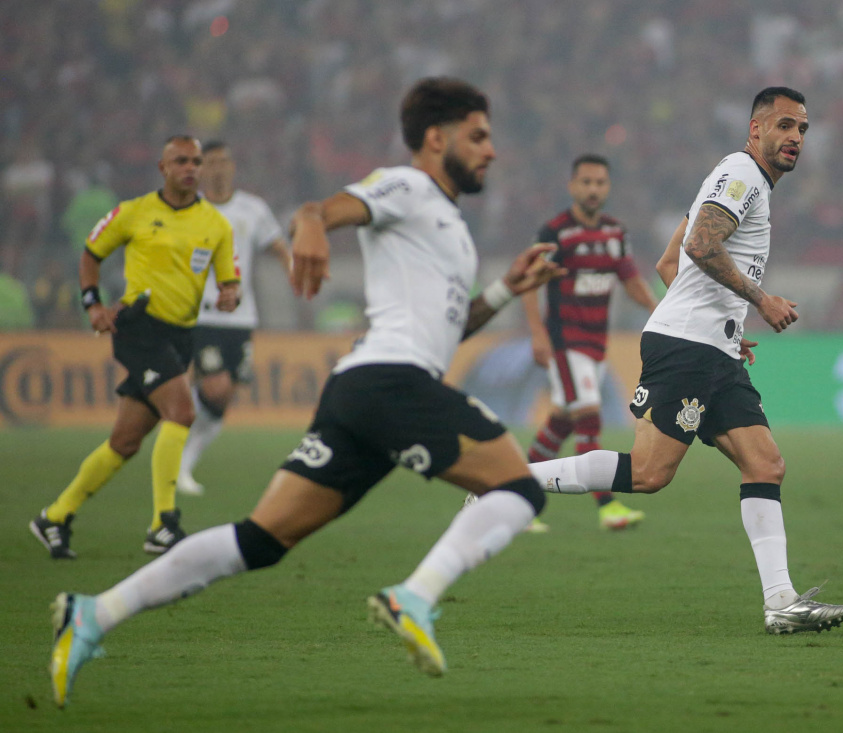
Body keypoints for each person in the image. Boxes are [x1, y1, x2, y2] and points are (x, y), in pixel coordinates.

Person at [46, 77, 562, 708]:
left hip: (364, 392)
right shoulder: (407, 185)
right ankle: (416, 597)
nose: (491, 150)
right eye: (478, 136)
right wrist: (312, 225)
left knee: (261, 540)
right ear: (436, 137)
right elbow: (320, 210)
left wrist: (507, 289)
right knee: (519, 488)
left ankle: (94, 613)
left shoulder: (450, 225)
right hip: (389, 381)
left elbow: (449, 331)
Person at [527, 87, 843, 635]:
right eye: (783, 126)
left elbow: (667, 260)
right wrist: (759, 301)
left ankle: (781, 601)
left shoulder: (740, 183)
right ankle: (509, 480)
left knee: (766, 464)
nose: (795, 138)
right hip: (688, 349)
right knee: (650, 473)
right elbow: (702, 245)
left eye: (802, 129)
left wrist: (726, 326)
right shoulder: (742, 174)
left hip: (712, 349)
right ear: (755, 131)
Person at [29, 135, 239, 559]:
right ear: (162, 168)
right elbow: (91, 254)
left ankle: (55, 515)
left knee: (124, 442)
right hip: (140, 328)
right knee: (181, 411)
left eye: (196, 161)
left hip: (182, 335)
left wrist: (231, 293)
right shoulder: (134, 212)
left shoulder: (216, 224)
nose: (191, 168)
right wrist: (93, 305)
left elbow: (229, 279)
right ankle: (164, 523)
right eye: (181, 161)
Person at [522, 154, 658, 532]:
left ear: (608, 187)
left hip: (597, 345)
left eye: (600, 183)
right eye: (586, 182)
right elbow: (529, 283)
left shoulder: (615, 233)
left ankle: (510, 497)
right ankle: (607, 506)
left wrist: (659, 310)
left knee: (561, 424)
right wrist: (536, 333)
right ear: (572, 186)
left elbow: (630, 280)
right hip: (564, 343)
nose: (593, 189)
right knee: (589, 415)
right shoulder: (556, 233)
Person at [176, 140, 292, 497]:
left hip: (243, 318)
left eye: (224, 161)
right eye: (211, 162)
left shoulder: (252, 209)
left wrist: (296, 271)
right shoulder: (190, 210)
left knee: (223, 399)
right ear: (200, 170)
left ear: (232, 167)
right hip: (204, 314)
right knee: (216, 386)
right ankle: (178, 458)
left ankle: (181, 455)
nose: (219, 168)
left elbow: (277, 246)